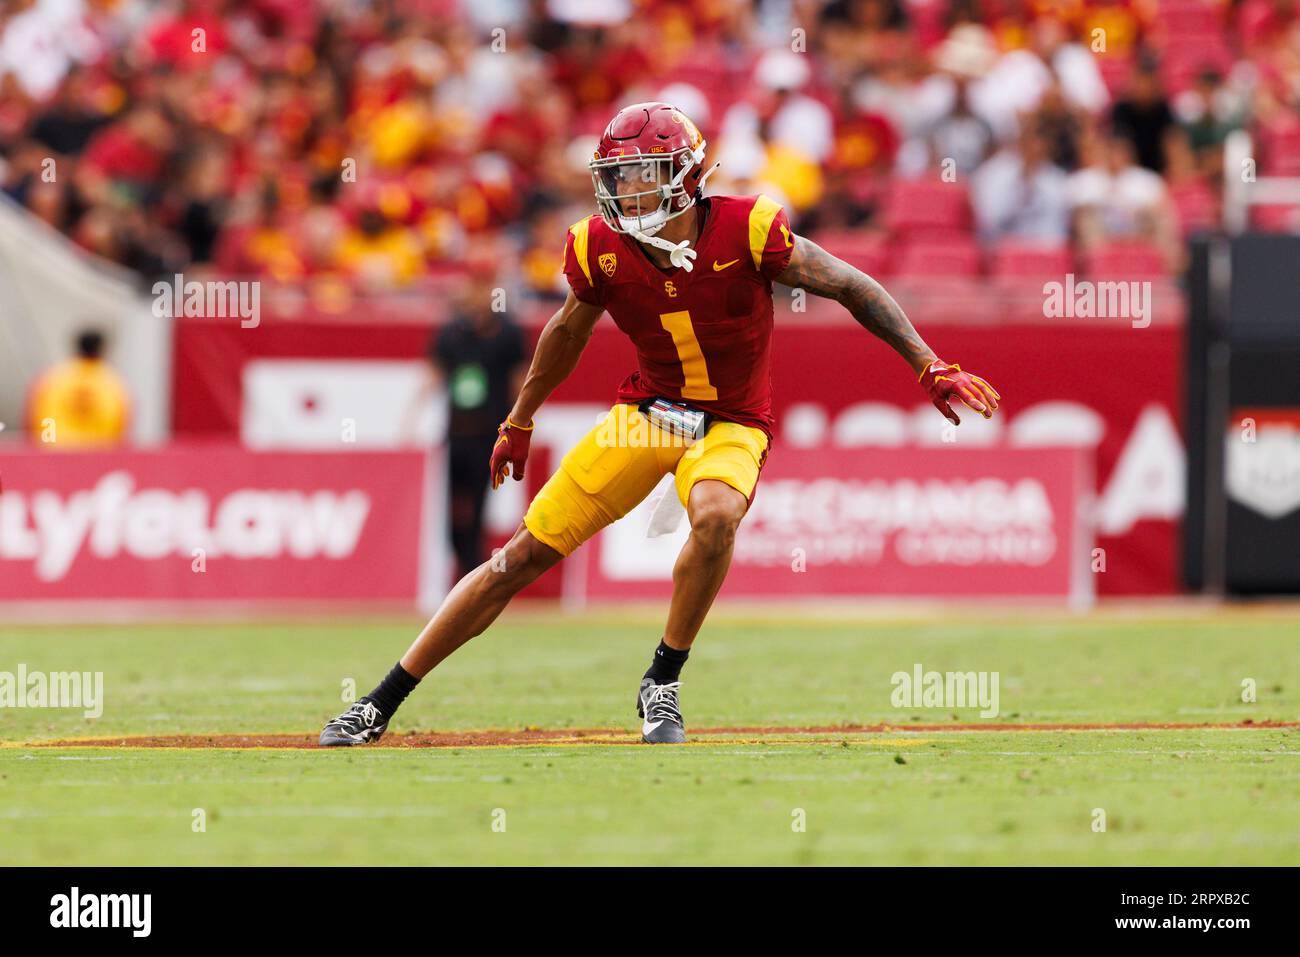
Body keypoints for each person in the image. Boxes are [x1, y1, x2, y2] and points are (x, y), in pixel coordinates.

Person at [321, 102, 1001, 746]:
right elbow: (566, 330)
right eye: (617, 176)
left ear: (685, 176)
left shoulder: (749, 228)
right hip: (651, 414)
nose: (627, 190)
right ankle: (380, 699)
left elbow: (853, 284)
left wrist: (927, 364)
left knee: (714, 517)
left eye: (641, 174)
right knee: (518, 558)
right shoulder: (598, 246)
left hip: (732, 419)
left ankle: (663, 679)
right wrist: (520, 418)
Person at [426, 253, 527, 577]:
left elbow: (520, 382)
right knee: (450, 501)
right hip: (457, 431)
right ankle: (458, 559)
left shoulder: (507, 332)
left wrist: (522, 424)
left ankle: (473, 566)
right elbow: (435, 373)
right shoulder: (453, 332)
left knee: (482, 503)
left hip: (489, 432)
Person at [26, 328, 131, 448]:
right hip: (98, 454)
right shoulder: (114, 383)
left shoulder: (52, 378)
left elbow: (31, 419)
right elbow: (123, 426)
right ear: (103, 348)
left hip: (56, 451)